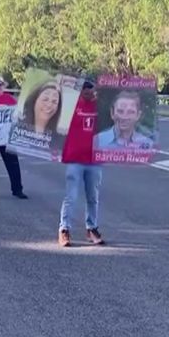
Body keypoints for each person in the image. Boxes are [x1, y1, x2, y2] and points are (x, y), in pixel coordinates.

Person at [59, 80, 104, 247]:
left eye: (90, 89)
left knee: (93, 197)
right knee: (71, 196)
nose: (87, 92)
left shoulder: (100, 107)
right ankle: (64, 229)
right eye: (84, 90)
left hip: (94, 159)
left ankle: (91, 228)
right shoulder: (71, 106)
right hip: (75, 159)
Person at [8, 81, 63, 158]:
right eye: (45, 99)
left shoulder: (60, 140)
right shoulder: (15, 131)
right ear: (34, 101)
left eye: (54, 102)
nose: (49, 105)